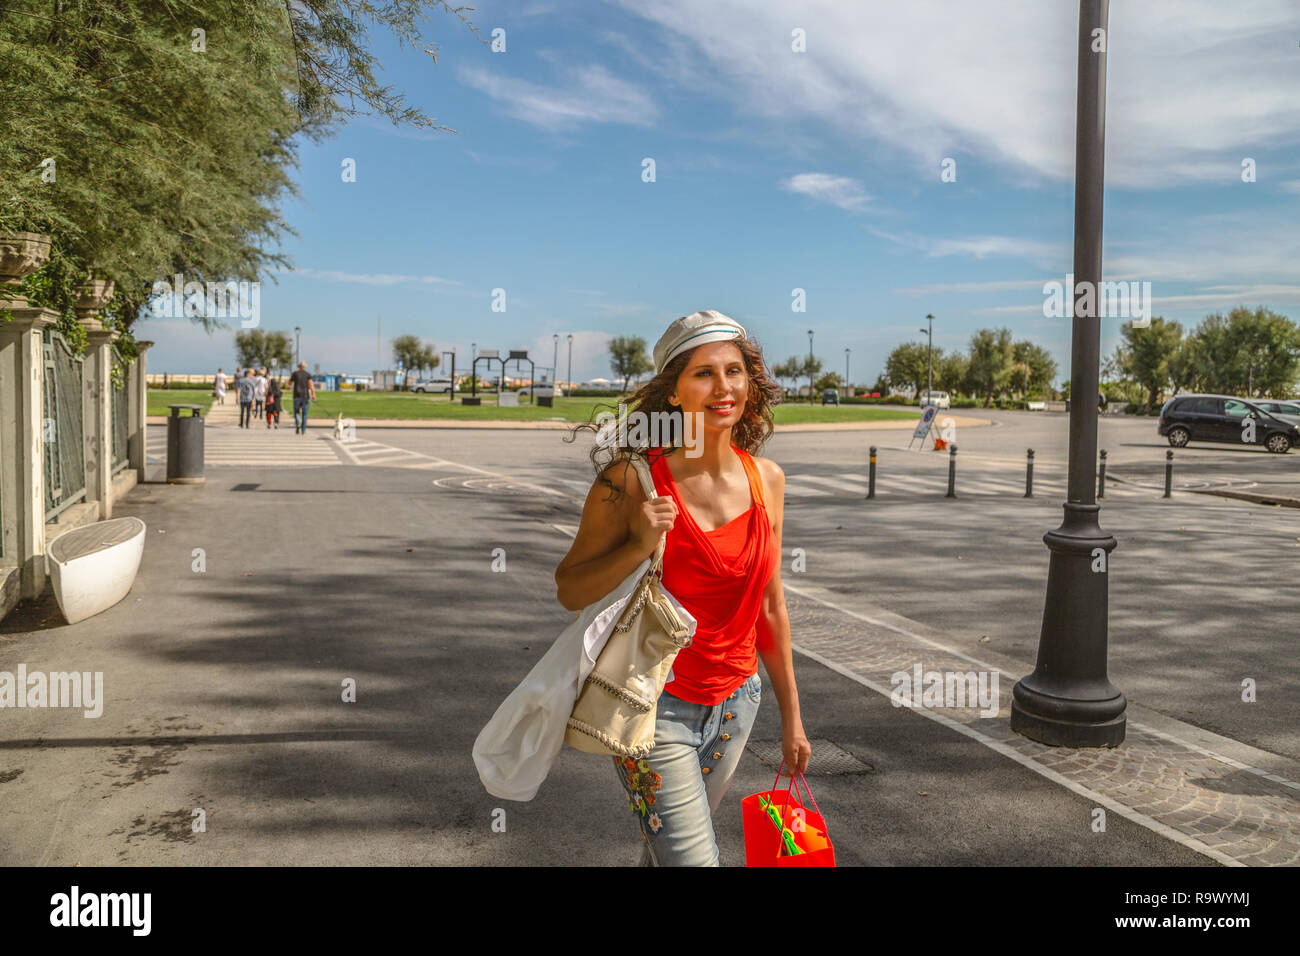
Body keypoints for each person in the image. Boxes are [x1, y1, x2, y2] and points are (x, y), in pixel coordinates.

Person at [555, 310, 810, 867]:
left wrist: (792, 718)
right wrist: (638, 544)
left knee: (663, 858)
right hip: (653, 709)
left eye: (734, 371)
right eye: (703, 374)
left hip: (736, 705)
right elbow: (570, 589)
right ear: (673, 392)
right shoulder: (630, 481)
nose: (723, 388)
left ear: (750, 381)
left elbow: (771, 604)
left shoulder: (767, 480)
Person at [289, 361, 315, 434]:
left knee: (296, 411)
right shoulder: (308, 374)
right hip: (305, 396)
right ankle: (303, 430)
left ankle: (297, 422)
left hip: (296, 395)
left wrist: (291, 385)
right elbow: (311, 385)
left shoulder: (295, 374)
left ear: (299, 366)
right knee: (305, 414)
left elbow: (289, 383)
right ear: (305, 367)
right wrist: (313, 395)